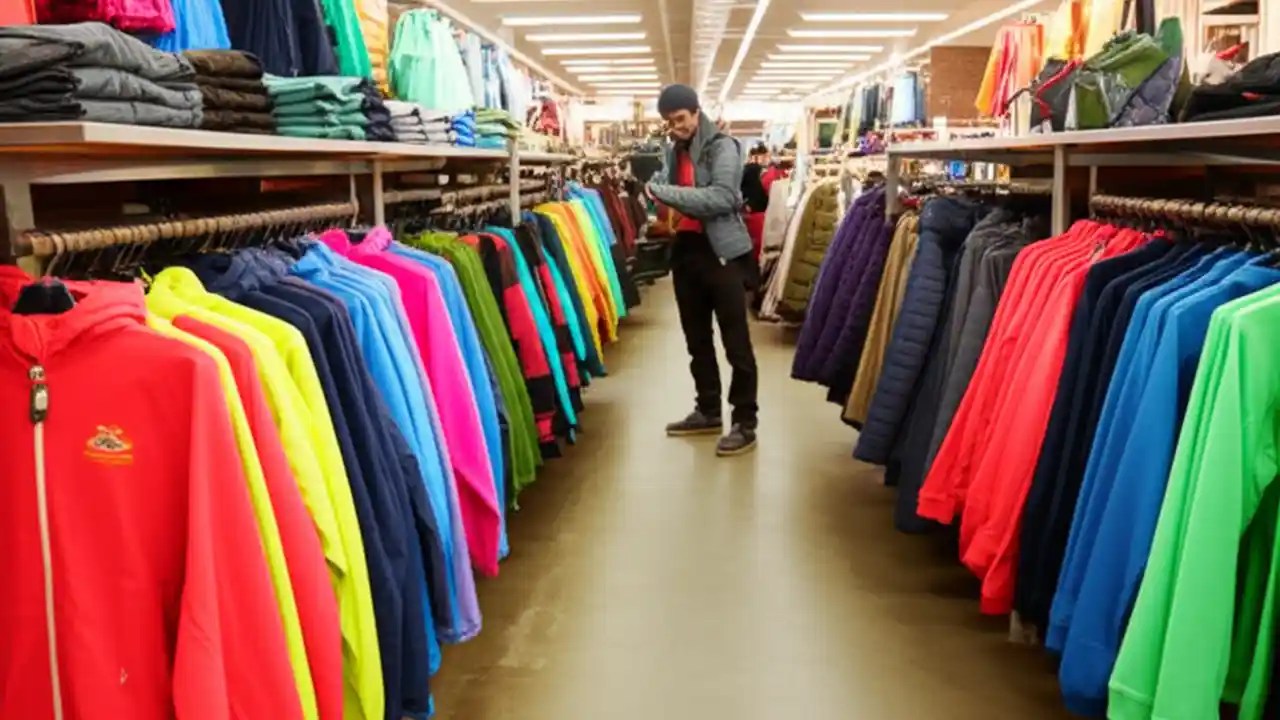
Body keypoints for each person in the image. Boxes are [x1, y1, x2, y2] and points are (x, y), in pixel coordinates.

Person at [646, 83, 759, 457]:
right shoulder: (673, 150)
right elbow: (665, 187)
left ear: (697, 112)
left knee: (736, 343)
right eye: (669, 121)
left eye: (680, 118)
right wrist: (662, 191)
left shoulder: (724, 147)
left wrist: (663, 192)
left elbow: (722, 197)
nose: (676, 126)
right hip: (687, 252)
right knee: (697, 340)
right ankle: (708, 410)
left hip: (722, 254)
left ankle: (745, 421)